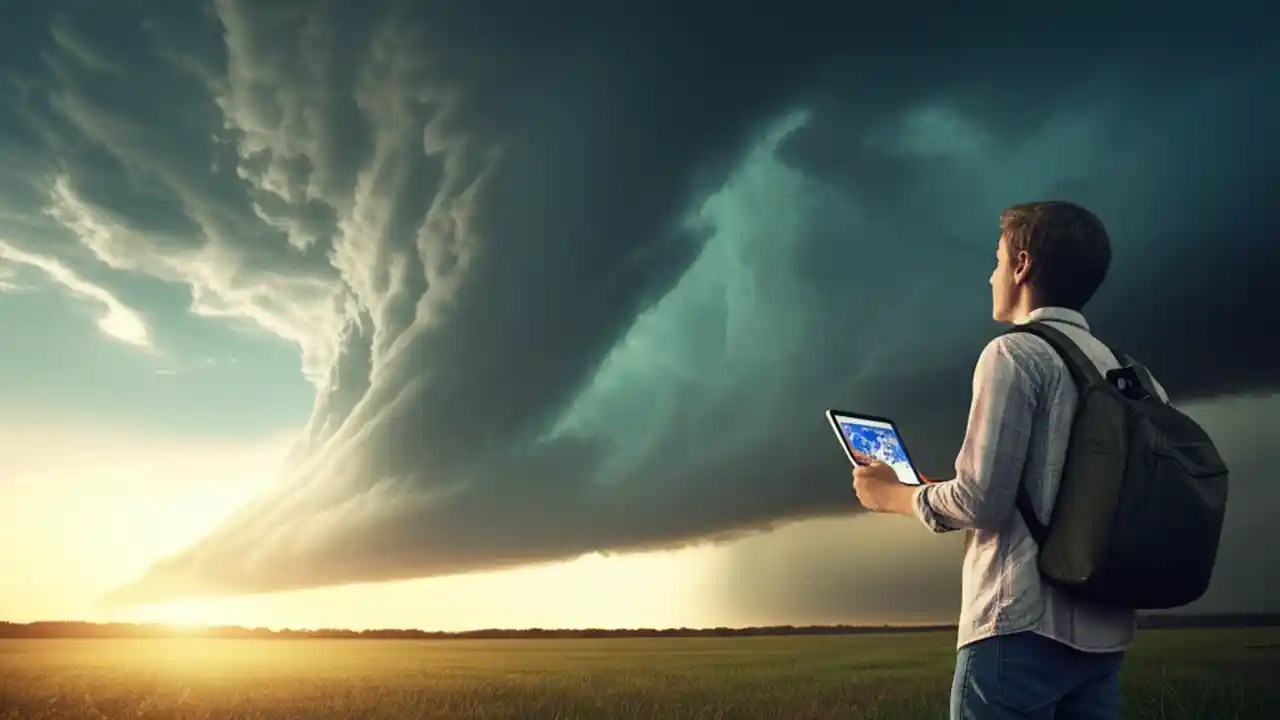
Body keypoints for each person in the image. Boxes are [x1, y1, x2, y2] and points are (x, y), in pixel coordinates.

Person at [849, 200, 1169, 719]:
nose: (991, 274)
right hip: (1105, 632)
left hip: (1017, 625)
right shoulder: (1135, 376)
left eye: (996, 260)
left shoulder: (1014, 354)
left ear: (1021, 265)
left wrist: (894, 496)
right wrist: (941, 488)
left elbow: (981, 501)